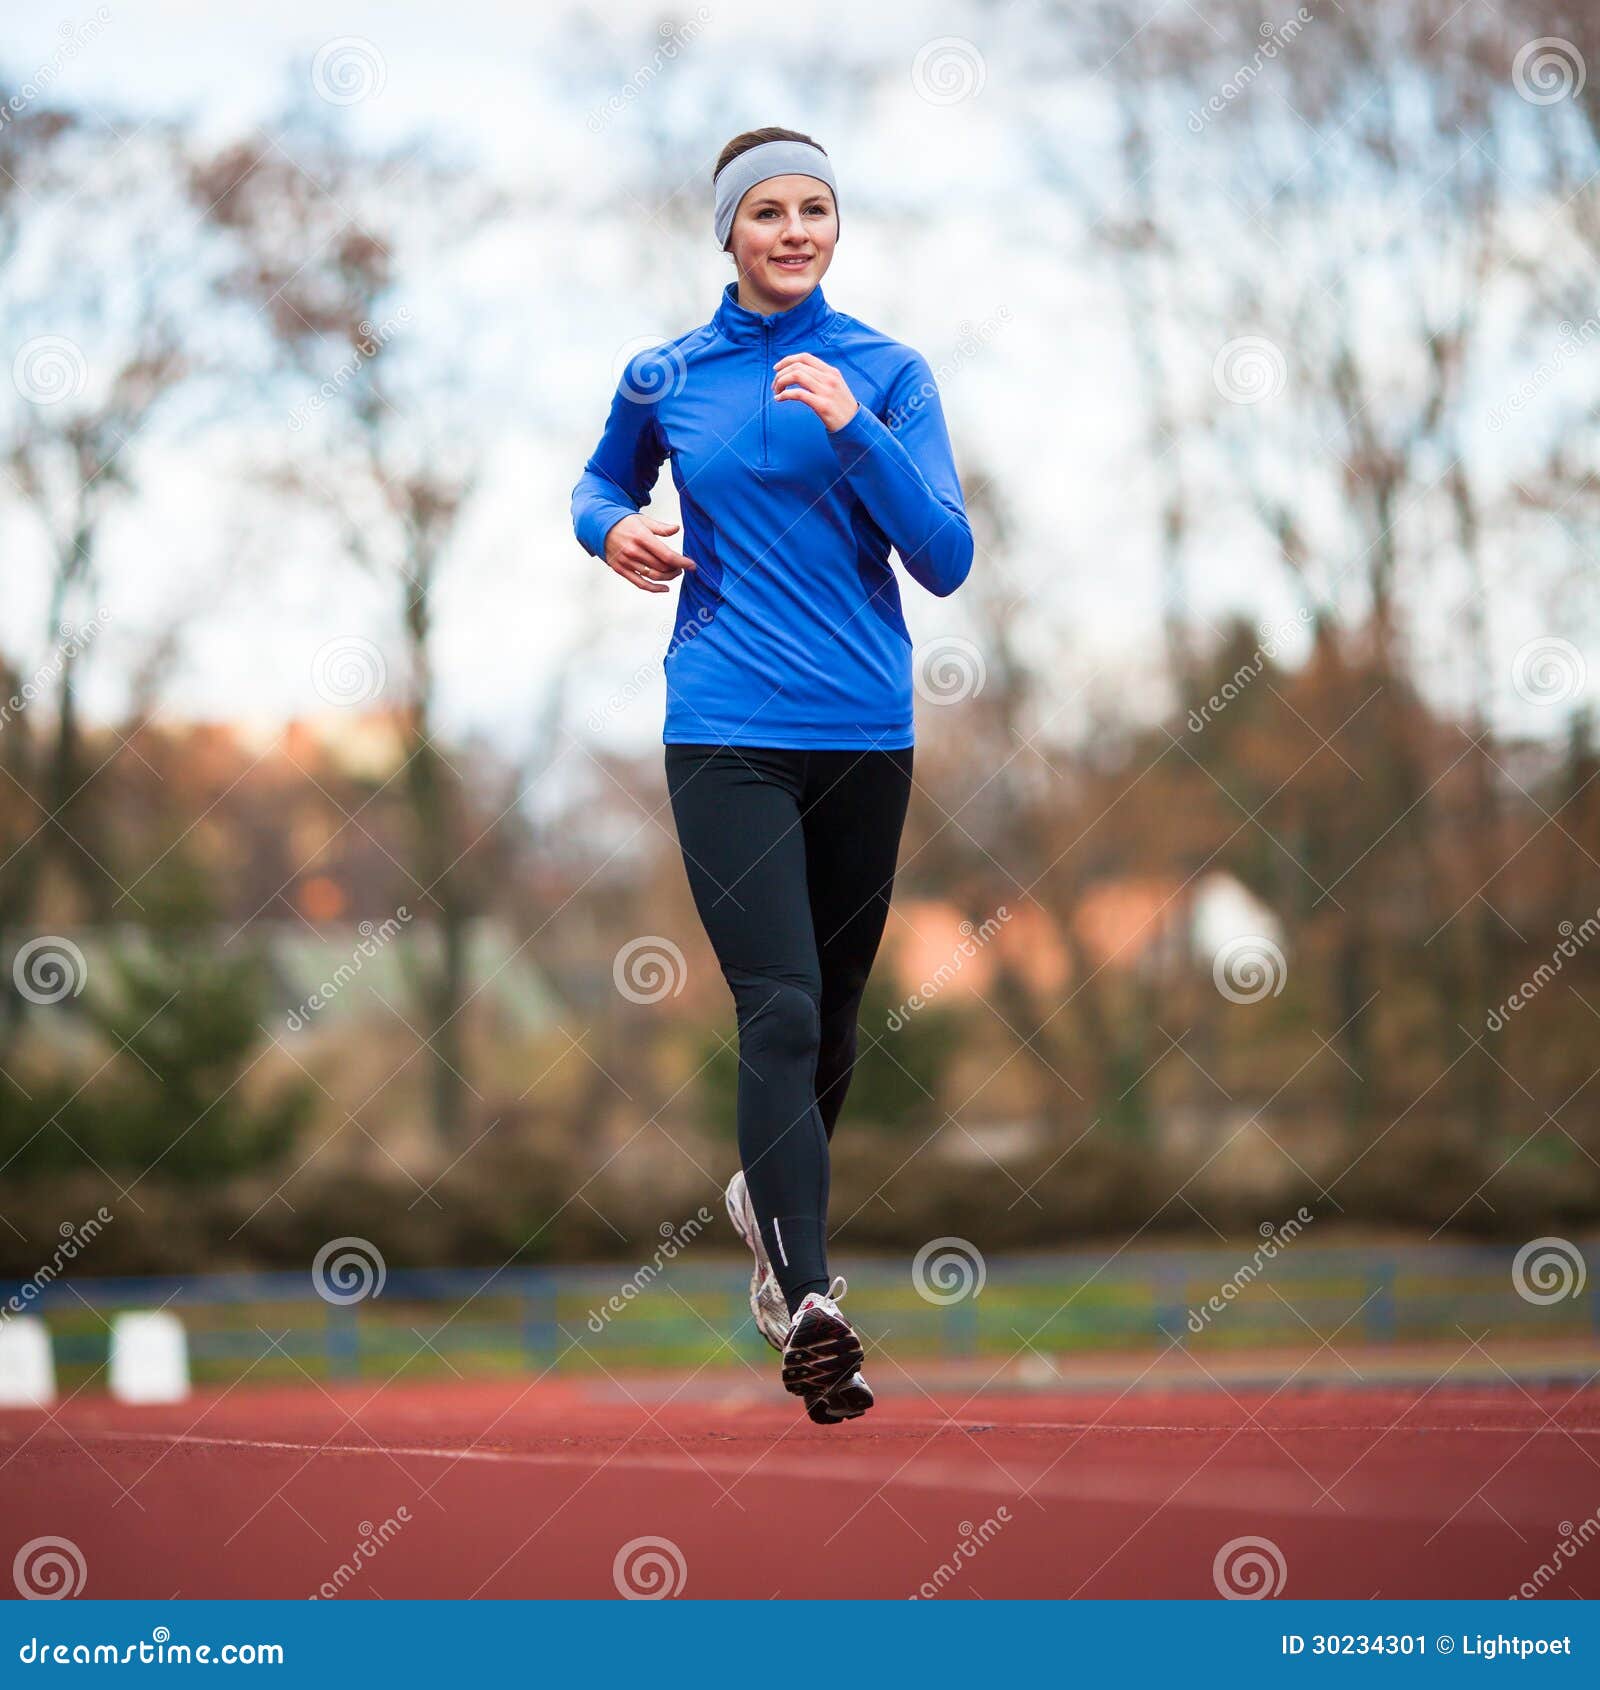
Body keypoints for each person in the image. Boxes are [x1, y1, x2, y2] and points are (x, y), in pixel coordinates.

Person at [570, 127, 973, 1423]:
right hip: (725, 722)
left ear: (836, 229)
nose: (794, 230)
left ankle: (764, 1203)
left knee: (838, 1018)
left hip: (864, 730)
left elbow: (947, 555)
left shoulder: (889, 371)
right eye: (768, 212)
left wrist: (858, 433)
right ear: (728, 233)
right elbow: (595, 484)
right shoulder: (666, 373)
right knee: (781, 1006)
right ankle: (809, 1299)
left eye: (815, 210)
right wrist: (616, 531)